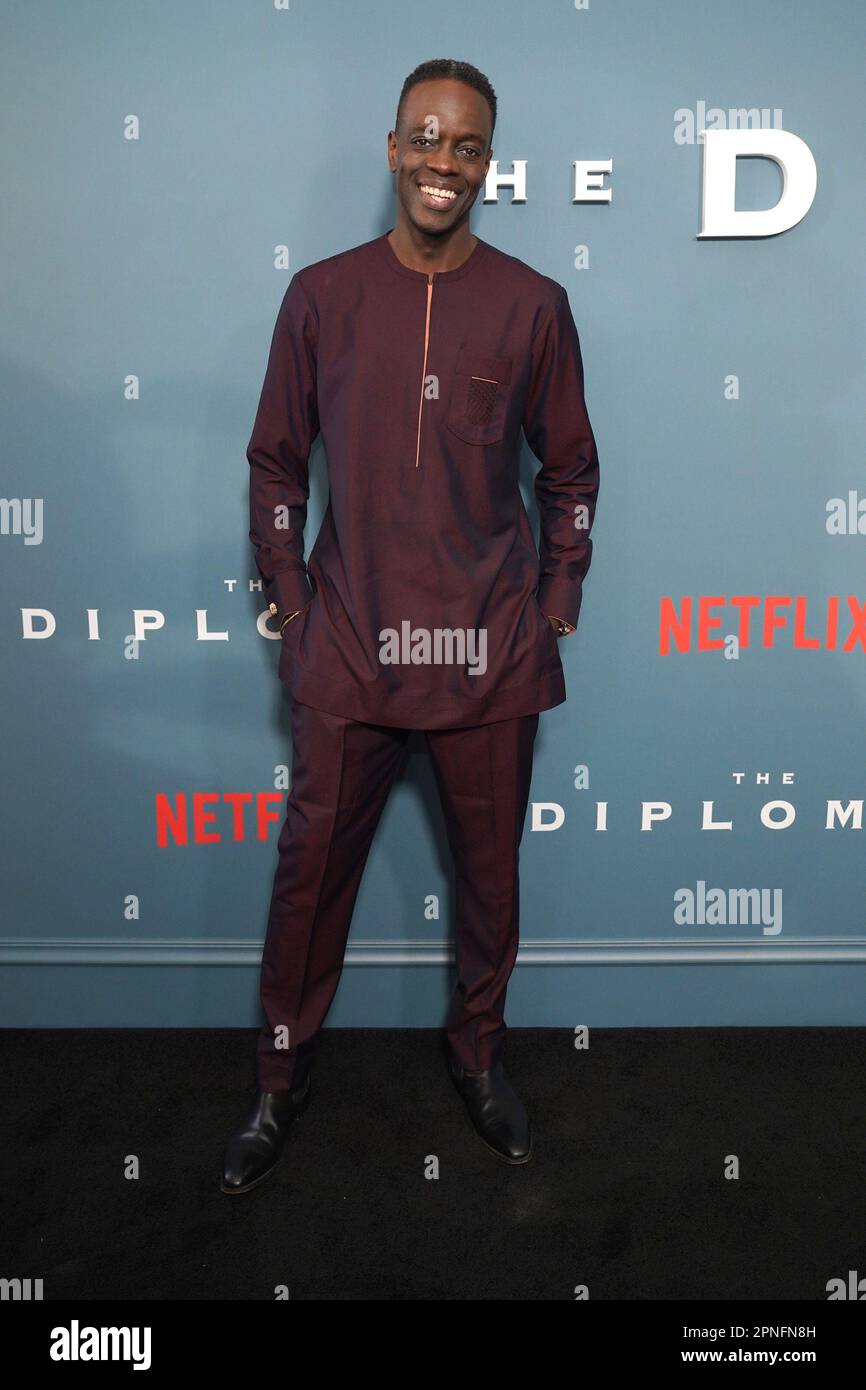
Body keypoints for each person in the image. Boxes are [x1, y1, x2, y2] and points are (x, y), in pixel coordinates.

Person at [221, 57, 600, 1194]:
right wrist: (291, 604)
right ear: (394, 150)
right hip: (348, 649)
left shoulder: (533, 304)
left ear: (489, 165)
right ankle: (278, 1079)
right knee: (306, 883)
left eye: (469, 147)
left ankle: (478, 1059)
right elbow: (274, 462)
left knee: (492, 884)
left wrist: (553, 606)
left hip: (487, 658)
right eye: (427, 139)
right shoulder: (321, 296)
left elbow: (570, 472)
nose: (446, 162)